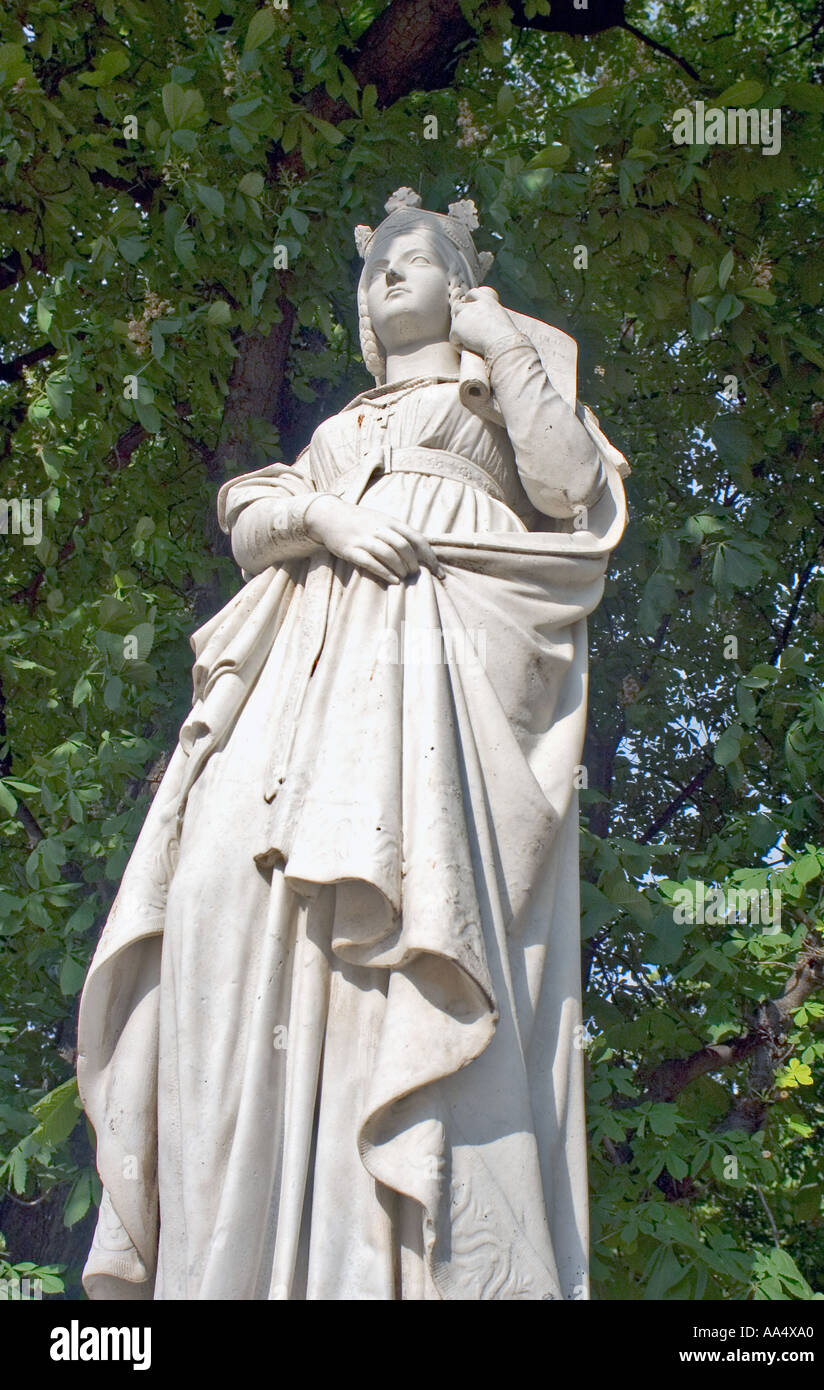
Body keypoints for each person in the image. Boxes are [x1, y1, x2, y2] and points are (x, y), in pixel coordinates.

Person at [77, 188, 628, 1301]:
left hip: (440, 673)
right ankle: (242, 1252)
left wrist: (504, 342)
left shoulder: (499, 380)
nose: (388, 273)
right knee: (221, 909)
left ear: (463, 284)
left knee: (400, 936)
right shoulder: (336, 433)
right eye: (377, 265)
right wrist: (323, 516)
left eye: (418, 259)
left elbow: (573, 487)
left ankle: (379, 1254)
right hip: (301, 673)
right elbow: (248, 513)